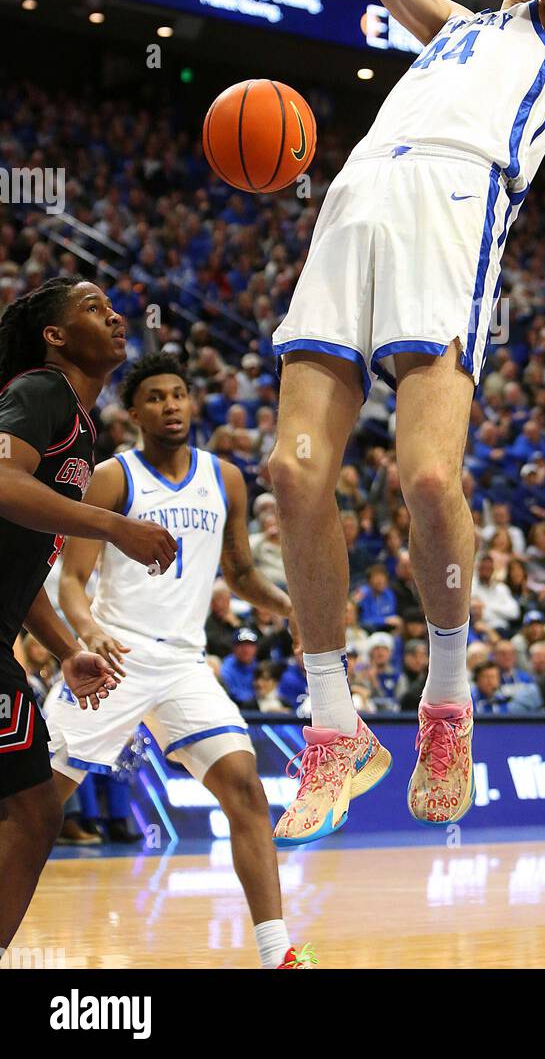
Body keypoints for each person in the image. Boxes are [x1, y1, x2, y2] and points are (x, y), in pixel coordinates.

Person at [266, 0, 545, 842]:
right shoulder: (459, 33)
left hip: (452, 212)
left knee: (424, 479)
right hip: (359, 197)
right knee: (290, 469)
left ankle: (448, 697)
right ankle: (334, 727)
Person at [42, 352, 312, 970]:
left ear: (193, 403)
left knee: (244, 788)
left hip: (186, 665)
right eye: (156, 397)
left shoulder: (227, 478)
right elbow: (74, 580)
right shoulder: (111, 478)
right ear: (133, 412)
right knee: (35, 804)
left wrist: (290, 608)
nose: (170, 405)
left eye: (180, 394)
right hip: (115, 655)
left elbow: (240, 573)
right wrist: (85, 634)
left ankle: (278, 954)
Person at [0, 279, 176, 959]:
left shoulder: (78, 424)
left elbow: (16, 562)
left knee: (31, 809)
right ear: (55, 335)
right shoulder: (41, 392)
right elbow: (3, 485)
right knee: (33, 810)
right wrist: (115, 528)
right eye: (93, 308)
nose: (115, 315)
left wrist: (65, 648)